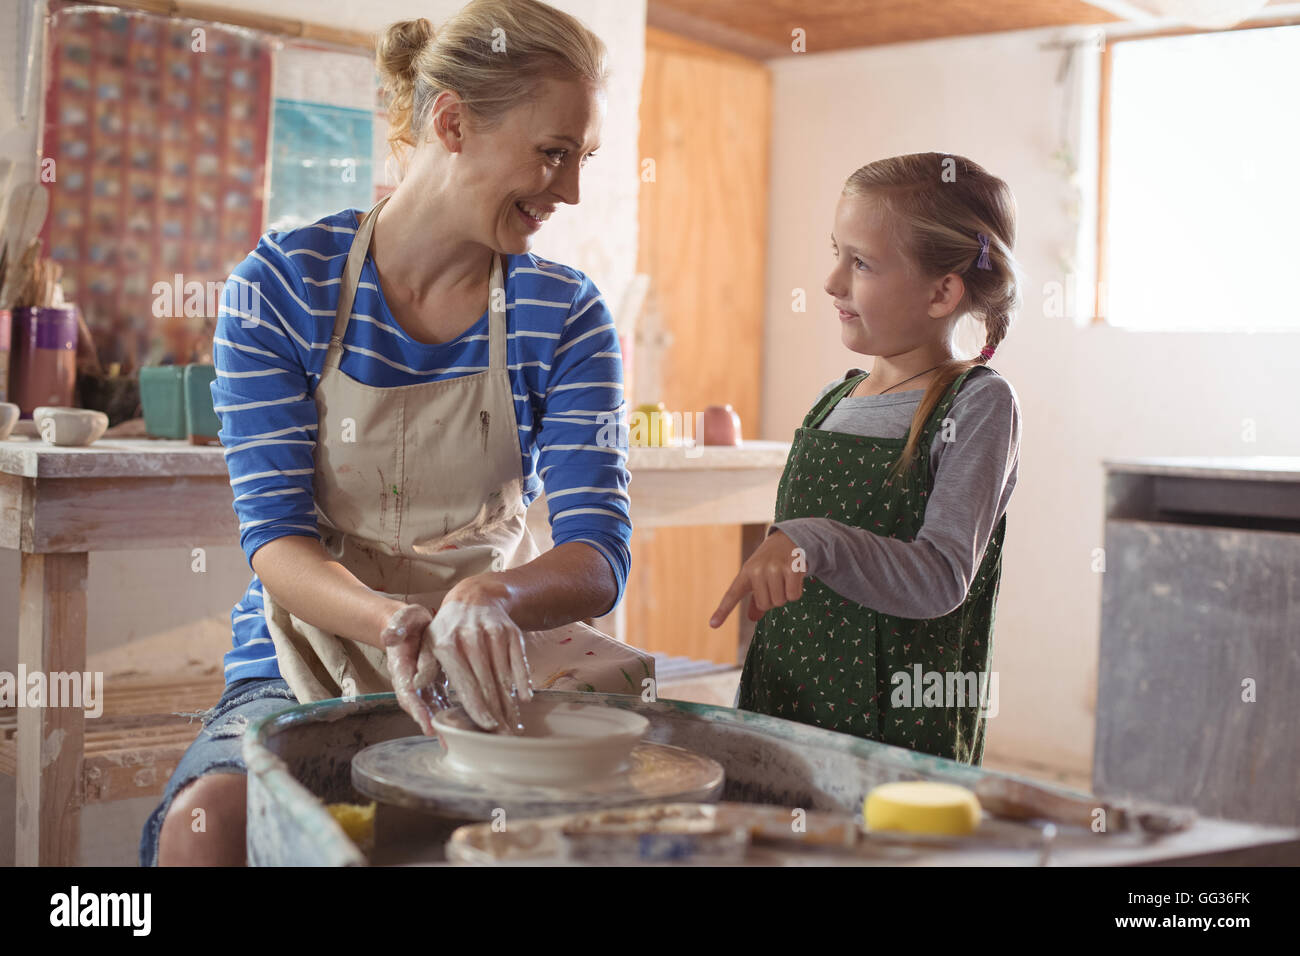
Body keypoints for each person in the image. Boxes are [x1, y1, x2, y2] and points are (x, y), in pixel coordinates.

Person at [140, 0, 651, 867]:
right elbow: (276, 543)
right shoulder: (281, 286)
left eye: (583, 158)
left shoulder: (565, 314)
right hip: (302, 656)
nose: (569, 191)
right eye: (553, 153)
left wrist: (492, 598)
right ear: (452, 122)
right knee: (211, 830)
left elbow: (599, 554)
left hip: (488, 658)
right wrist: (393, 621)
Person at [710, 153, 1022, 765]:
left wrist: (813, 540)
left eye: (861, 263)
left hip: (896, 733)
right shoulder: (835, 399)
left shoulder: (980, 404)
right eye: (837, 253)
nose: (831, 282)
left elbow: (941, 576)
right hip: (785, 706)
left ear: (942, 292)